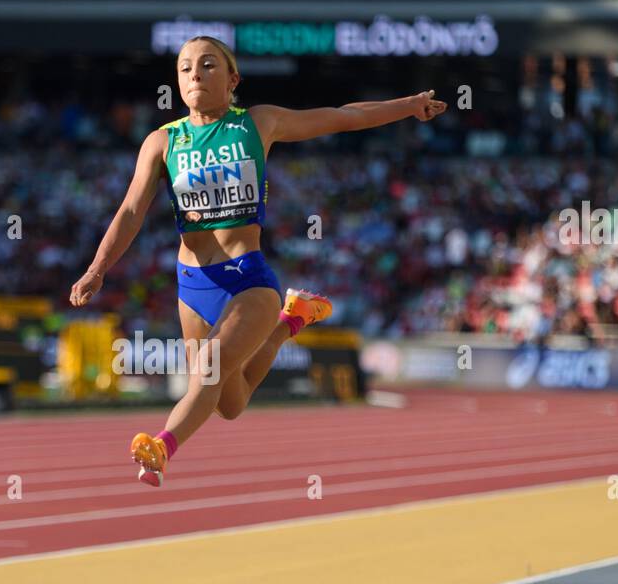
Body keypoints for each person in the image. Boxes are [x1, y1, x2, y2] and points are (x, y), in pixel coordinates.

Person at [69, 35, 447, 485]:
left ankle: (162, 446)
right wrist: (97, 269)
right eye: (185, 67)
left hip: (247, 278)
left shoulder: (258, 124)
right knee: (229, 403)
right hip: (192, 283)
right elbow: (131, 211)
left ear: (233, 79)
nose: (195, 74)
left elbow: (342, 117)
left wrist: (408, 105)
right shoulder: (162, 142)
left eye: (208, 65)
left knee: (207, 370)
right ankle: (292, 321)